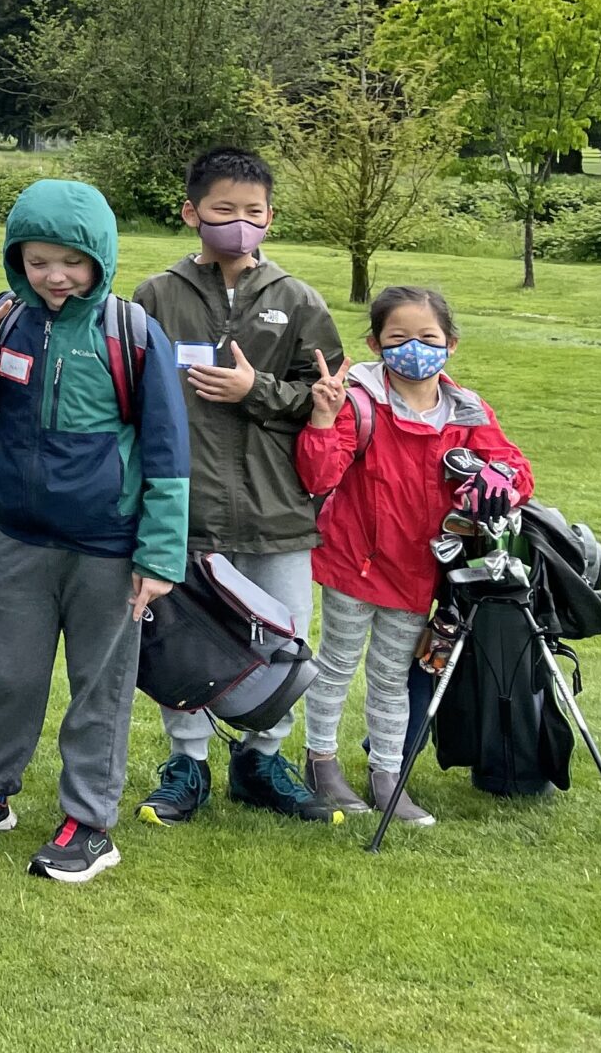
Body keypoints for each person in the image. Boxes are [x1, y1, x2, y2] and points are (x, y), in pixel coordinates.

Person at [0, 179, 189, 884]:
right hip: (19, 541)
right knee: (9, 678)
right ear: (18, 261)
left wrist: (159, 555)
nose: (55, 276)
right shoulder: (7, 323)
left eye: (71, 261)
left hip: (109, 548)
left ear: (99, 257)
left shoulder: (132, 332)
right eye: (38, 261)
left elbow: (167, 449)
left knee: (99, 689)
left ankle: (90, 824)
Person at [131, 146, 345, 827]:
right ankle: (185, 764)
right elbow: (129, 394)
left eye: (253, 212)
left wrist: (259, 391)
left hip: (276, 508)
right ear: (193, 212)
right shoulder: (155, 296)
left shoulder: (298, 300)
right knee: (179, 637)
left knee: (284, 641)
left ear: (271, 218)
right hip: (183, 506)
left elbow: (327, 396)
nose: (240, 223)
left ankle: (262, 761)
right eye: (224, 210)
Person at [297, 285, 531, 825]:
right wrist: (323, 419)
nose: (414, 348)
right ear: (376, 344)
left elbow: (515, 470)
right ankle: (321, 761)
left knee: (391, 675)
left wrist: (499, 479)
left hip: (417, 571)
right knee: (335, 664)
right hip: (353, 563)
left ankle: (388, 775)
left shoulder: (467, 411)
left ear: (450, 344)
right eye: (398, 337)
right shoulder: (358, 399)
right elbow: (319, 474)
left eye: (427, 338)